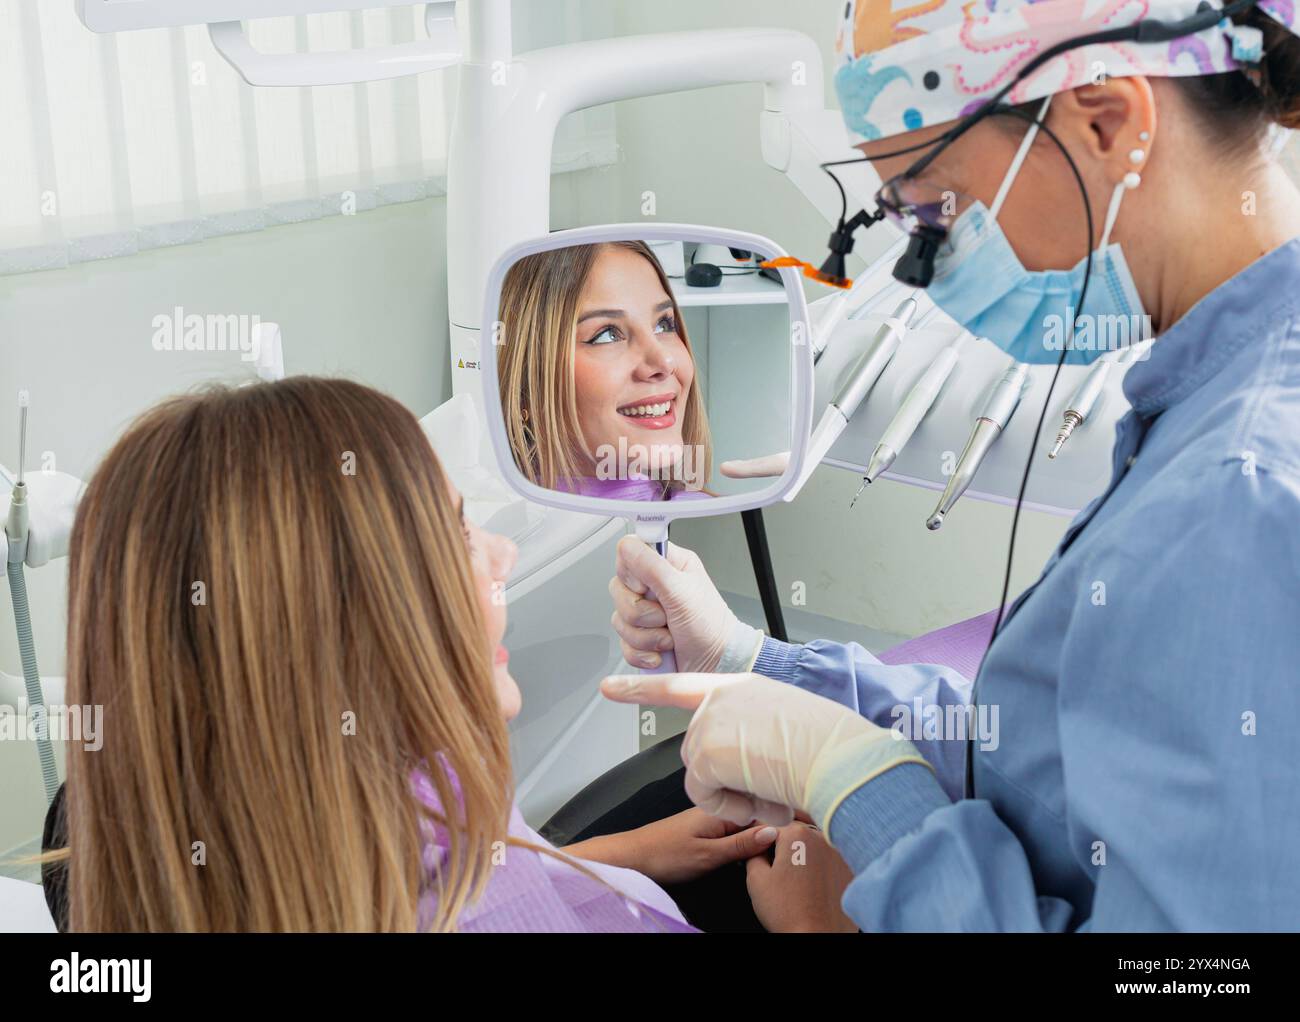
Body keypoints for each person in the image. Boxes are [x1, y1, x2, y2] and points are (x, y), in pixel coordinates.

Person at [604, 0, 1300, 931]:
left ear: (1108, 123)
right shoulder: (1207, 405)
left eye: (935, 207)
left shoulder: (1234, 499)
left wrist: (858, 877)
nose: (920, 266)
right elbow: (1053, 758)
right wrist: (757, 664)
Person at [39, 377, 791, 932]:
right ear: (341, 627)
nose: (499, 555)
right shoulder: (468, 885)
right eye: (458, 534)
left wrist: (610, 858)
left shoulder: (140, 829)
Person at [496, 240, 713, 500]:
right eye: (607, 335)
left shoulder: (710, 519)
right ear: (527, 389)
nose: (664, 362)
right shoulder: (488, 532)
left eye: (664, 325)